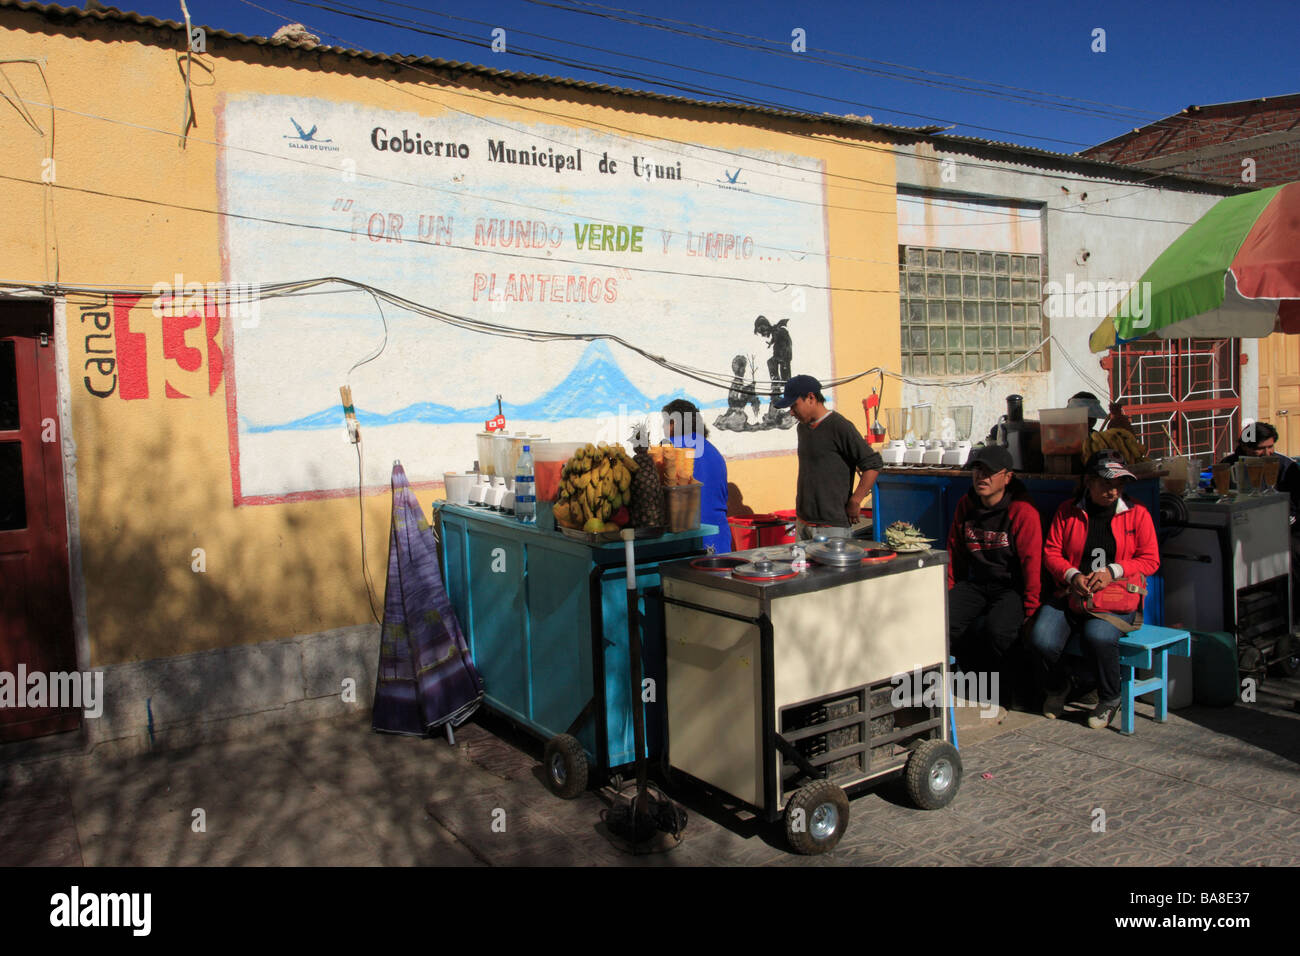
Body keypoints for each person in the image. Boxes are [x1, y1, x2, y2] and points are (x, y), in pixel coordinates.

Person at [1030, 450, 1160, 729]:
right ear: (1088, 482)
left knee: (1098, 636)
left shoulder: (1138, 515)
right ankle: (1058, 687)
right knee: (1042, 638)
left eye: (1118, 485)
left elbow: (1150, 560)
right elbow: (1051, 552)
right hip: (1072, 594)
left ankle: (1110, 697)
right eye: (1105, 483)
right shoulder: (1068, 511)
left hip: (1117, 596)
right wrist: (1072, 575)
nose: (1112, 491)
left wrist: (1113, 572)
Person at [945, 445, 1042, 703]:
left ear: (1007, 477)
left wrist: (1032, 611)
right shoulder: (965, 506)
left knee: (997, 631)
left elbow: (1032, 564)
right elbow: (954, 550)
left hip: (1011, 587)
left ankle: (1010, 690)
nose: (981, 477)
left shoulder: (1022, 511)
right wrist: (949, 589)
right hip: (976, 584)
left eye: (988, 472)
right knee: (944, 622)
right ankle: (974, 679)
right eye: (977, 471)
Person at [773, 374, 883, 540]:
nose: (792, 412)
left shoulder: (839, 426)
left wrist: (856, 500)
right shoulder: (802, 429)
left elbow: (873, 465)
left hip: (832, 527)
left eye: (794, 406)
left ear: (811, 398)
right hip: (804, 523)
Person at [1219, 422, 1300, 614]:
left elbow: (1297, 506)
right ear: (1246, 446)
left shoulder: (1286, 466)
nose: (1267, 453)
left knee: (1293, 553)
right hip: (1243, 529)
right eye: (1261, 449)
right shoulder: (1228, 466)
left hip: (1285, 529)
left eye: (1270, 447)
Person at [661, 399, 730, 555]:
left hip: (687, 543)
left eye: (665, 423)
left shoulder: (668, 449)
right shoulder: (714, 452)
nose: (663, 428)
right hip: (719, 540)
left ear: (673, 424)